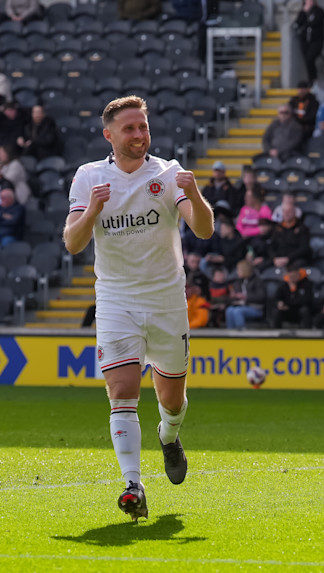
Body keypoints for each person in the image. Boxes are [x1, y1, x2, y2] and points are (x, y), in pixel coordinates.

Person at [62, 96, 215, 520]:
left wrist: (194, 194)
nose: (139, 135)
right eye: (129, 128)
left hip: (166, 301)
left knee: (172, 399)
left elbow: (203, 230)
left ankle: (170, 435)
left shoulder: (167, 174)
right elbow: (73, 243)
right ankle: (132, 484)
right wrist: (93, 208)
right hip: (115, 301)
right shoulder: (89, 177)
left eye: (143, 127)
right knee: (122, 393)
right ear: (108, 134)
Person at [225, 259, 265, 329]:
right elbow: (235, 296)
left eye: (239, 270)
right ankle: (230, 333)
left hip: (255, 308)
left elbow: (261, 297)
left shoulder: (257, 281)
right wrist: (234, 296)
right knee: (229, 310)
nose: (237, 272)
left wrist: (245, 297)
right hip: (241, 305)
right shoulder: (238, 282)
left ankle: (241, 333)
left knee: (237, 311)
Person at [274, 263, 315, 328]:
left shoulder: (307, 284)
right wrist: (279, 303)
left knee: (305, 310)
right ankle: (275, 332)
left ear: (298, 273)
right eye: (290, 277)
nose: (292, 279)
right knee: (277, 311)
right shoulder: (284, 284)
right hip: (287, 310)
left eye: (294, 276)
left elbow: (307, 301)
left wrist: (294, 290)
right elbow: (277, 298)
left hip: (299, 309)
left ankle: (308, 331)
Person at [294, 0, 324, 84]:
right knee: (307, 61)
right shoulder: (303, 11)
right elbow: (298, 22)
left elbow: (314, 22)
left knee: (310, 58)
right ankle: (311, 79)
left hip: (316, 41)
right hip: (305, 41)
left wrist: (307, 22)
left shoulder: (319, 11)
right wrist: (304, 12)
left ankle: (313, 79)